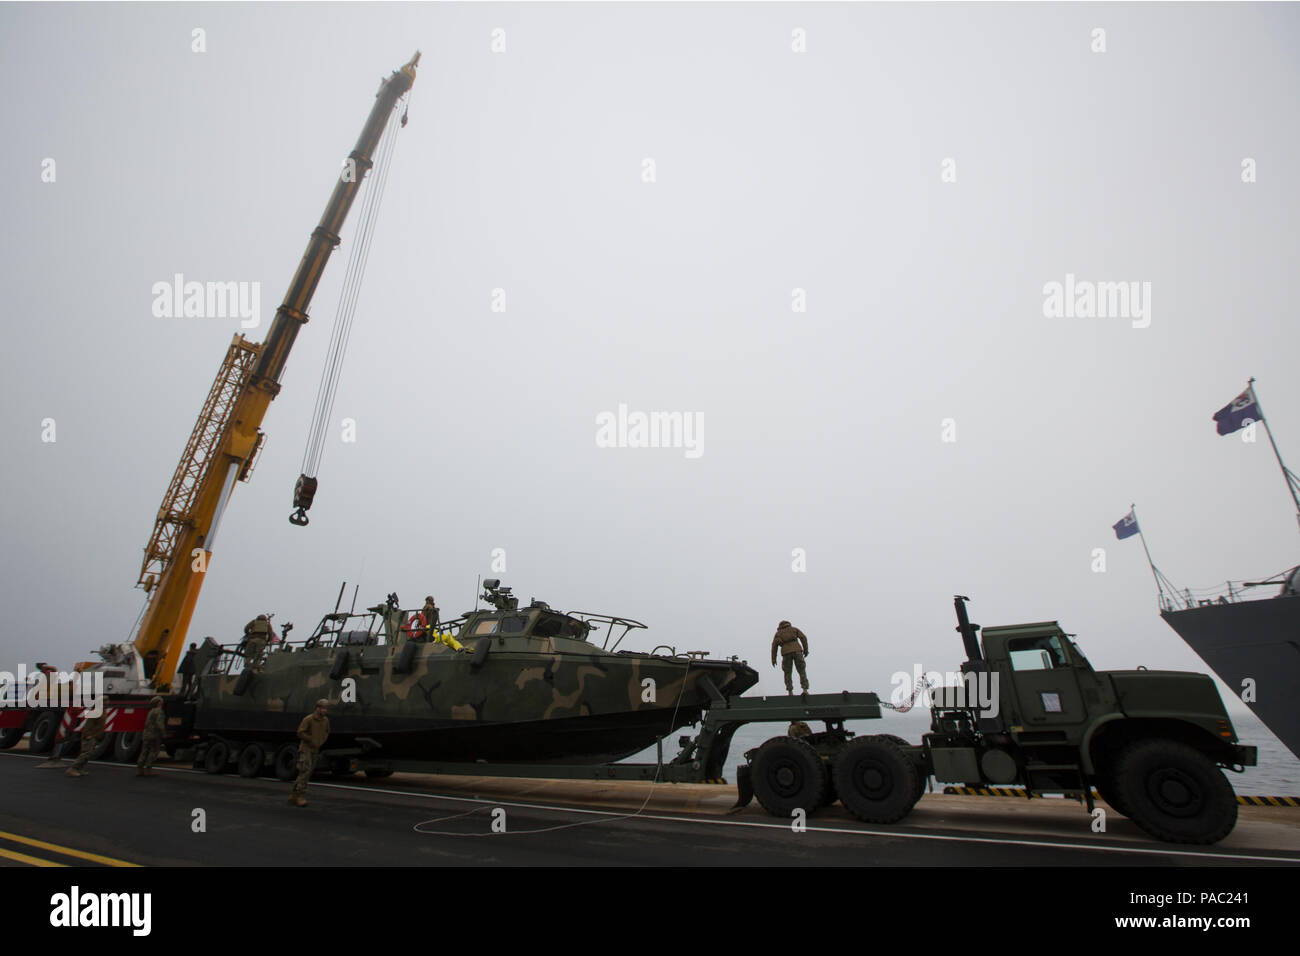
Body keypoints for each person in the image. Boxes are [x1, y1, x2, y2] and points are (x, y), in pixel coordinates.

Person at [290, 699, 330, 807]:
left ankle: (294, 793)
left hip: (316, 748)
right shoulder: (309, 719)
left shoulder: (325, 721)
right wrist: (311, 739)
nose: (324, 711)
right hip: (306, 748)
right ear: (317, 708)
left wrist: (321, 741)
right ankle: (301, 795)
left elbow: (327, 732)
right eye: (322, 708)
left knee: (307, 772)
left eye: (325, 709)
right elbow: (300, 732)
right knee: (305, 771)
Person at [770, 620, 810, 695]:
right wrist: (806, 650)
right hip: (797, 651)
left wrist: (773, 659)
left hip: (786, 653)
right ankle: (805, 689)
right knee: (801, 671)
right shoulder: (794, 629)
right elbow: (803, 638)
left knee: (787, 673)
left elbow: (774, 646)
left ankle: (790, 691)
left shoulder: (778, 633)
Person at [65, 710, 108, 777]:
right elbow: (89, 724)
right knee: (86, 752)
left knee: (89, 753)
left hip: (95, 735)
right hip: (90, 735)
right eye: (105, 701)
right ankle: (73, 768)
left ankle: (79, 768)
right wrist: (87, 735)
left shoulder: (103, 712)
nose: (107, 702)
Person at [136, 697, 166, 776]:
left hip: (146, 734)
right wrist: (163, 733)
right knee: (153, 751)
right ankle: (149, 769)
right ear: (159, 703)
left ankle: (140, 769)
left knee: (144, 751)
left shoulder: (151, 711)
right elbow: (159, 724)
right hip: (154, 735)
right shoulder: (159, 711)